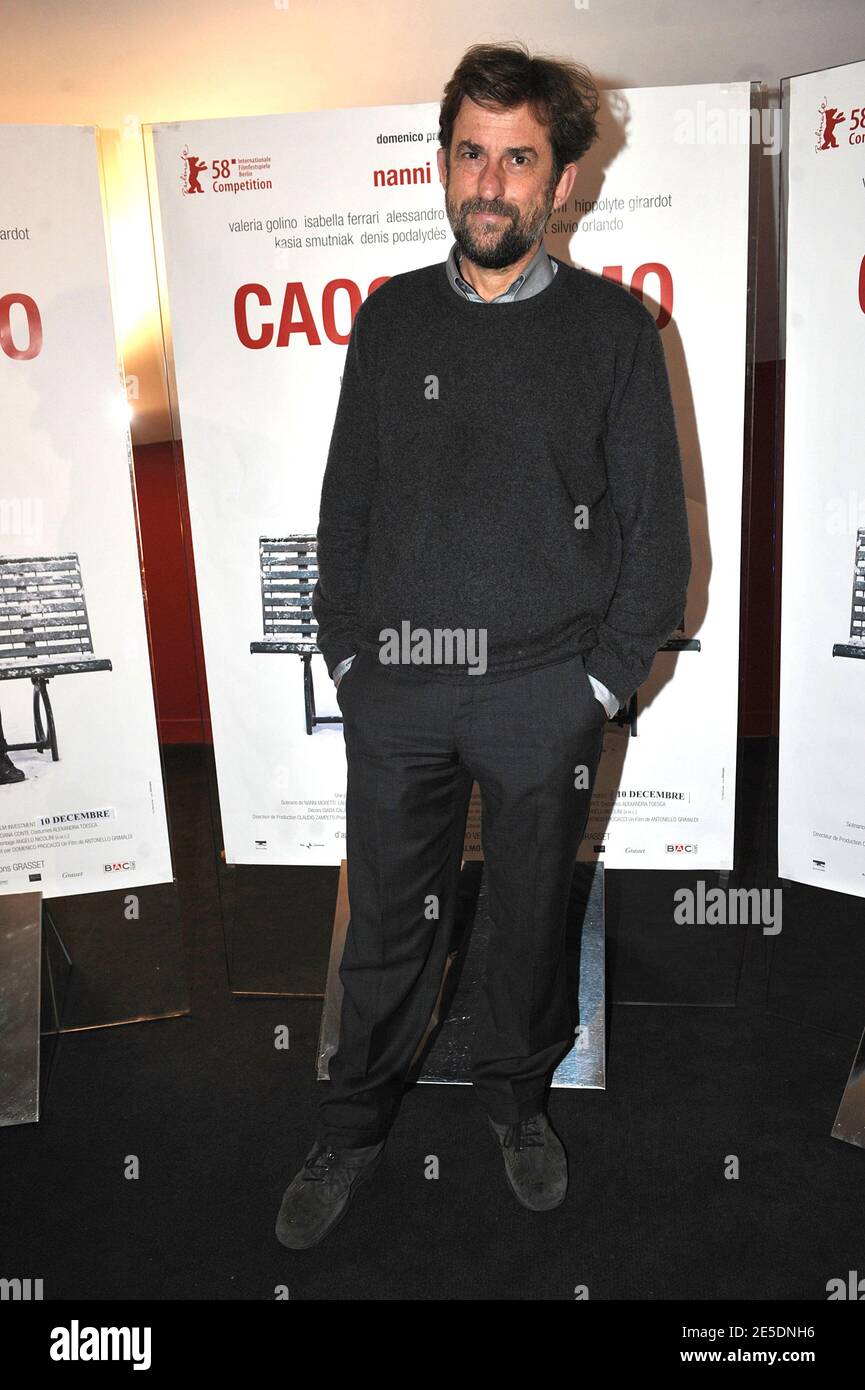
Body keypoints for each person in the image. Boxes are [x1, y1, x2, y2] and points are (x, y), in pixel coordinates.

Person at [276, 40, 691, 1249]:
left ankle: (515, 1101)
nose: (491, 183)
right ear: (442, 164)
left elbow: (655, 539)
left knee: (523, 920)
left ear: (563, 181)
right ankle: (351, 1127)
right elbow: (342, 506)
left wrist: (600, 687)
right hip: (398, 691)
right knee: (387, 926)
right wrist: (350, 659)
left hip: (539, 700)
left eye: (519, 158)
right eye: (472, 153)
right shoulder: (391, 318)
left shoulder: (617, 332)